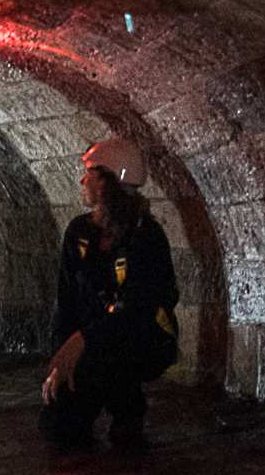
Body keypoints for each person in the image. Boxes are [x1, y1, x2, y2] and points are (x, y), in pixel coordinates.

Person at [40, 138, 178, 447]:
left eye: (89, 172)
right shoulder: (79, 232)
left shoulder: (145, 237)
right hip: (89, 340)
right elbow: (66, 300)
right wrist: (60, 359)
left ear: (107, 183)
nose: (82, 180)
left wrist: (83, 341)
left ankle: (127, 405)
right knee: (58, 427)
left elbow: (137, 309)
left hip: (139, 340)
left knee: (113, 371)